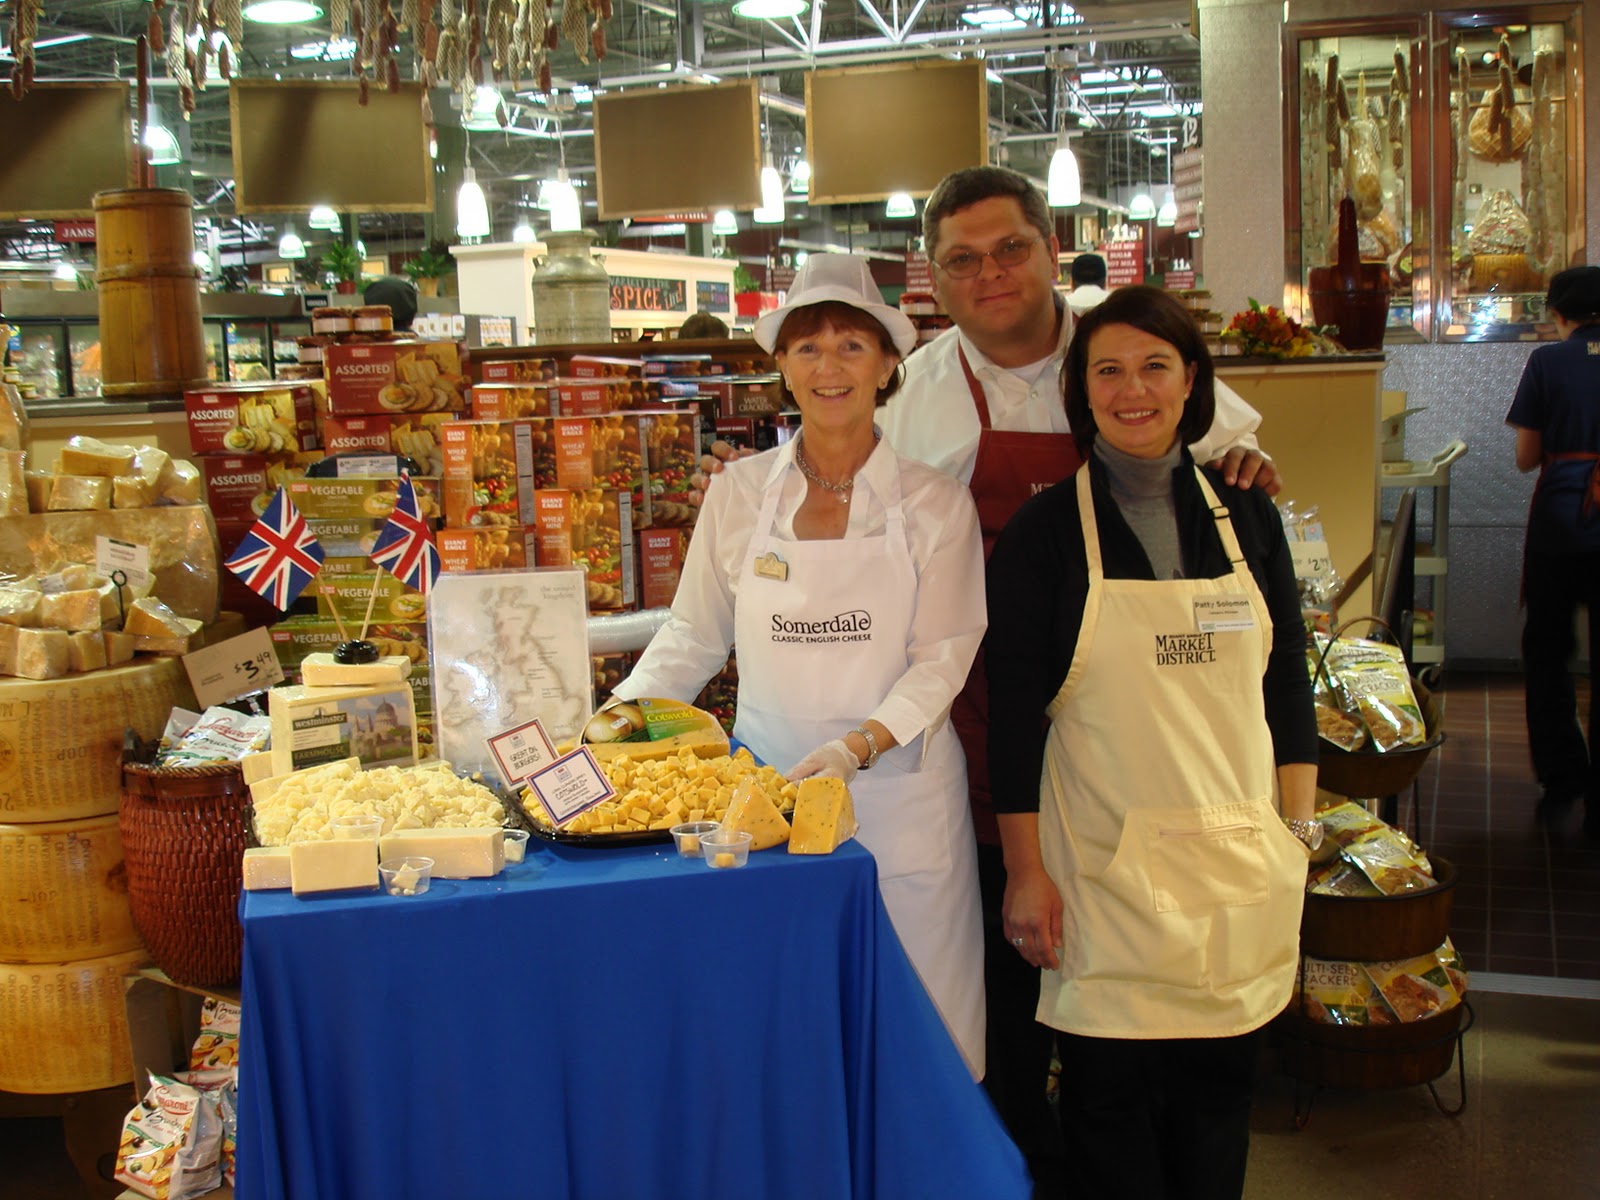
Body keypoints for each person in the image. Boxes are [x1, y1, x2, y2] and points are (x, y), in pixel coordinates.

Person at [694, 167, 1280, 1169]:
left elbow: (1224, 471)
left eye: (1009, 248)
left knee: (1144, 998)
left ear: (1053, 248)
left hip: (1139, 734)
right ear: (934, 280)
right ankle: (1025, 1171)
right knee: (1009, 983)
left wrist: (1248, 471)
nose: (989, 274)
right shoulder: (914, 397)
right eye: (960, 260)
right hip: (980, 727)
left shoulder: (1118, 349)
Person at [607, 253, 989, 1074]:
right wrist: (617, 724)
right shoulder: (740, 495)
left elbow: (944, 657)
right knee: (790, 1035)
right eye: (808, 348)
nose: (829, 368)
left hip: (900, 802)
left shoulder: (934, 504)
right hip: (764, 806)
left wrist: (856, 747)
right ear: (780, 364)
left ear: (889, 365)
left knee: (914, 1041)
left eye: (852, 347)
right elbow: (693, 636)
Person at [985, 285, 1318, 1198]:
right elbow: (1014, 718)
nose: (1133, 390)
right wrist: (1025, 872)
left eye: (1154, 366)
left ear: (1191, 383)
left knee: (1220, 1098)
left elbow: (1286, 675)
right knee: (1106, 1105)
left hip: (1236, 869)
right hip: (1105, 875)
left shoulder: (1247, 514)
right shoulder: (1046, 534)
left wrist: (1298, 830)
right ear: (1082, 393)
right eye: (1109, 371)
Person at [1507, 265, 1600, 837]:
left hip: (1562, 525)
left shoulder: (1548, 362)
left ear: (1560, 315)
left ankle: (1563, 780)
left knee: (1548, 654)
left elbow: (1525, 456)